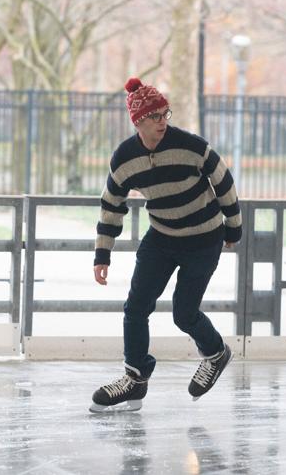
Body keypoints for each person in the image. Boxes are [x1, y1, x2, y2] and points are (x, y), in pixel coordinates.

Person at [89, 77, 242, 413]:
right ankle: (135, 378)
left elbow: (224, 181)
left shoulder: (190, 146)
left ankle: (216, 353)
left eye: (164, 114)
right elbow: (111, 204)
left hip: (204, 238)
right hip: (161, 237)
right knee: (135, 307)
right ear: (138, 122)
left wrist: (234, 227)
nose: (162, 122)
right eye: (154, 117)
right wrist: (103, 253)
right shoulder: (125, 158)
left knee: (184, 313)